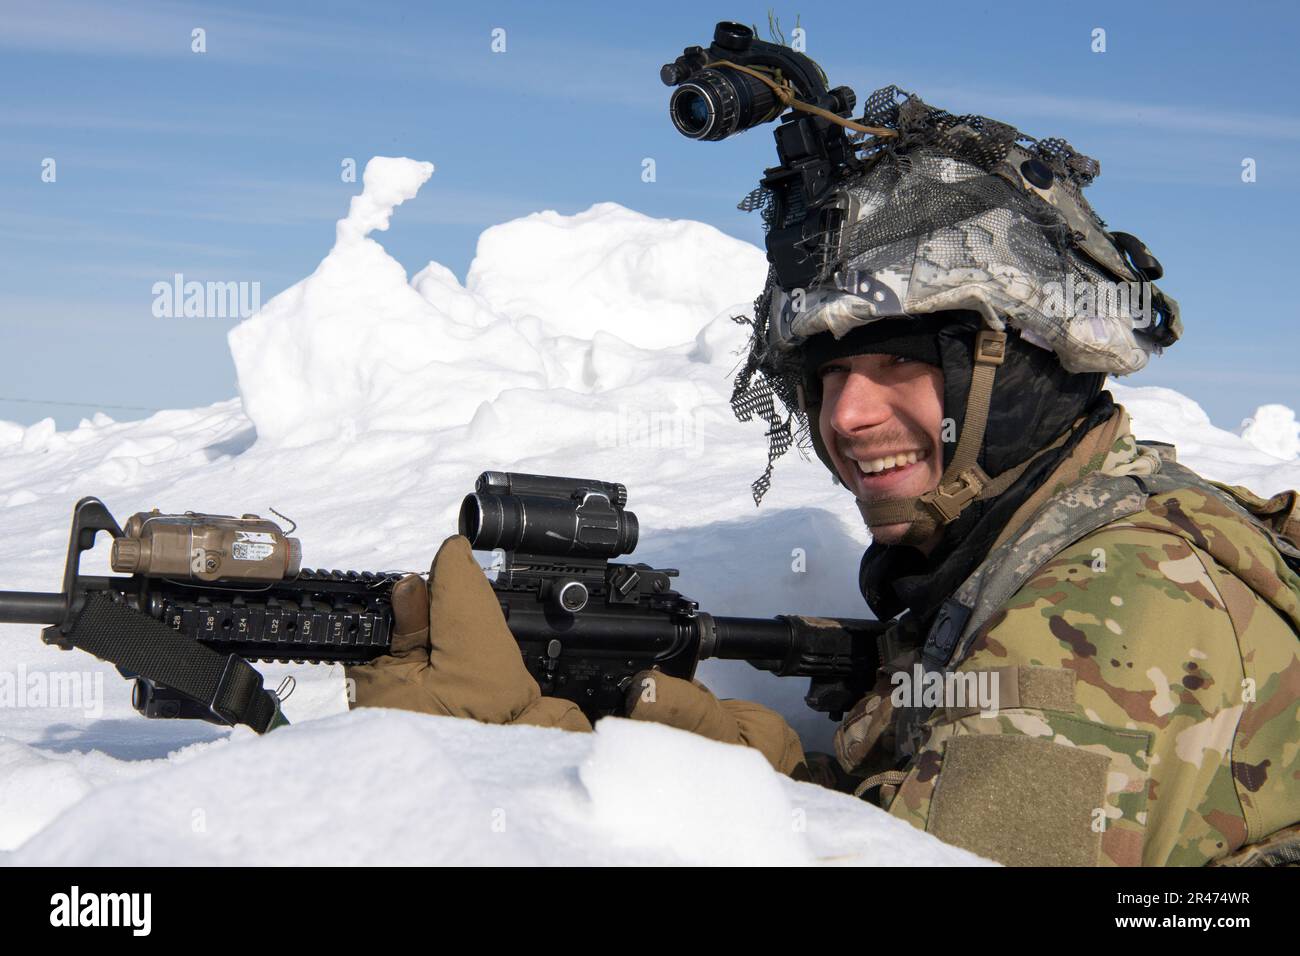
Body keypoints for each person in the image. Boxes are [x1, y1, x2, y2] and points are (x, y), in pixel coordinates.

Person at [346, 89, 1300, 867]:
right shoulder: (1078, 524)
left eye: (899, 363)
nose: (845, 418)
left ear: (1017, 364)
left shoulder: (1101, 618)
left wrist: (526, 755)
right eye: (827, 376)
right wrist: (737, 759)